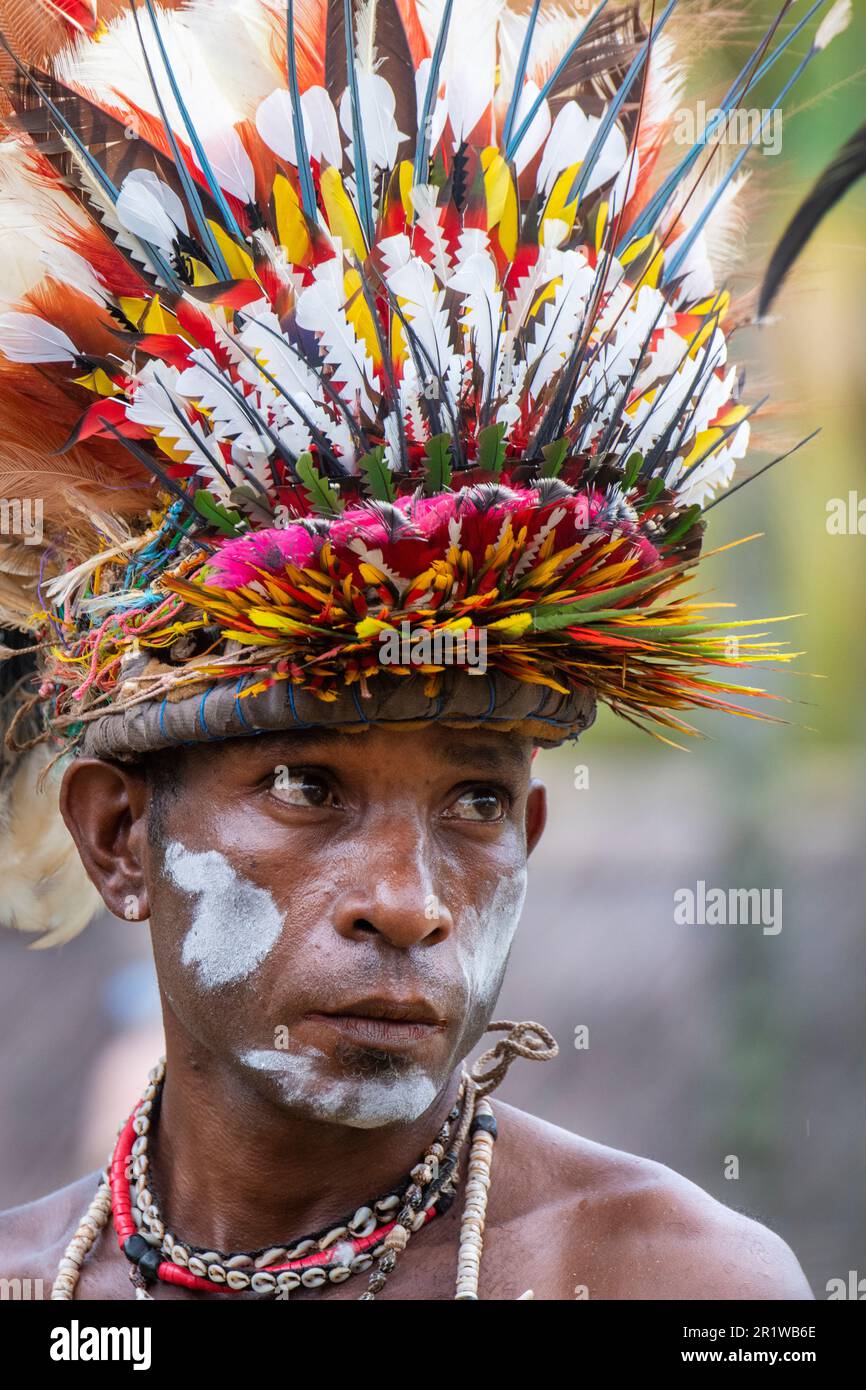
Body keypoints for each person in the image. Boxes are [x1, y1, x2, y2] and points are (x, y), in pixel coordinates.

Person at [0, 0, 839, 1300]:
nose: (409, 898)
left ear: (534, 828)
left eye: (475, 799)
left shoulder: (680, 1284)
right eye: (306, 785)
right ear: (117, 836)